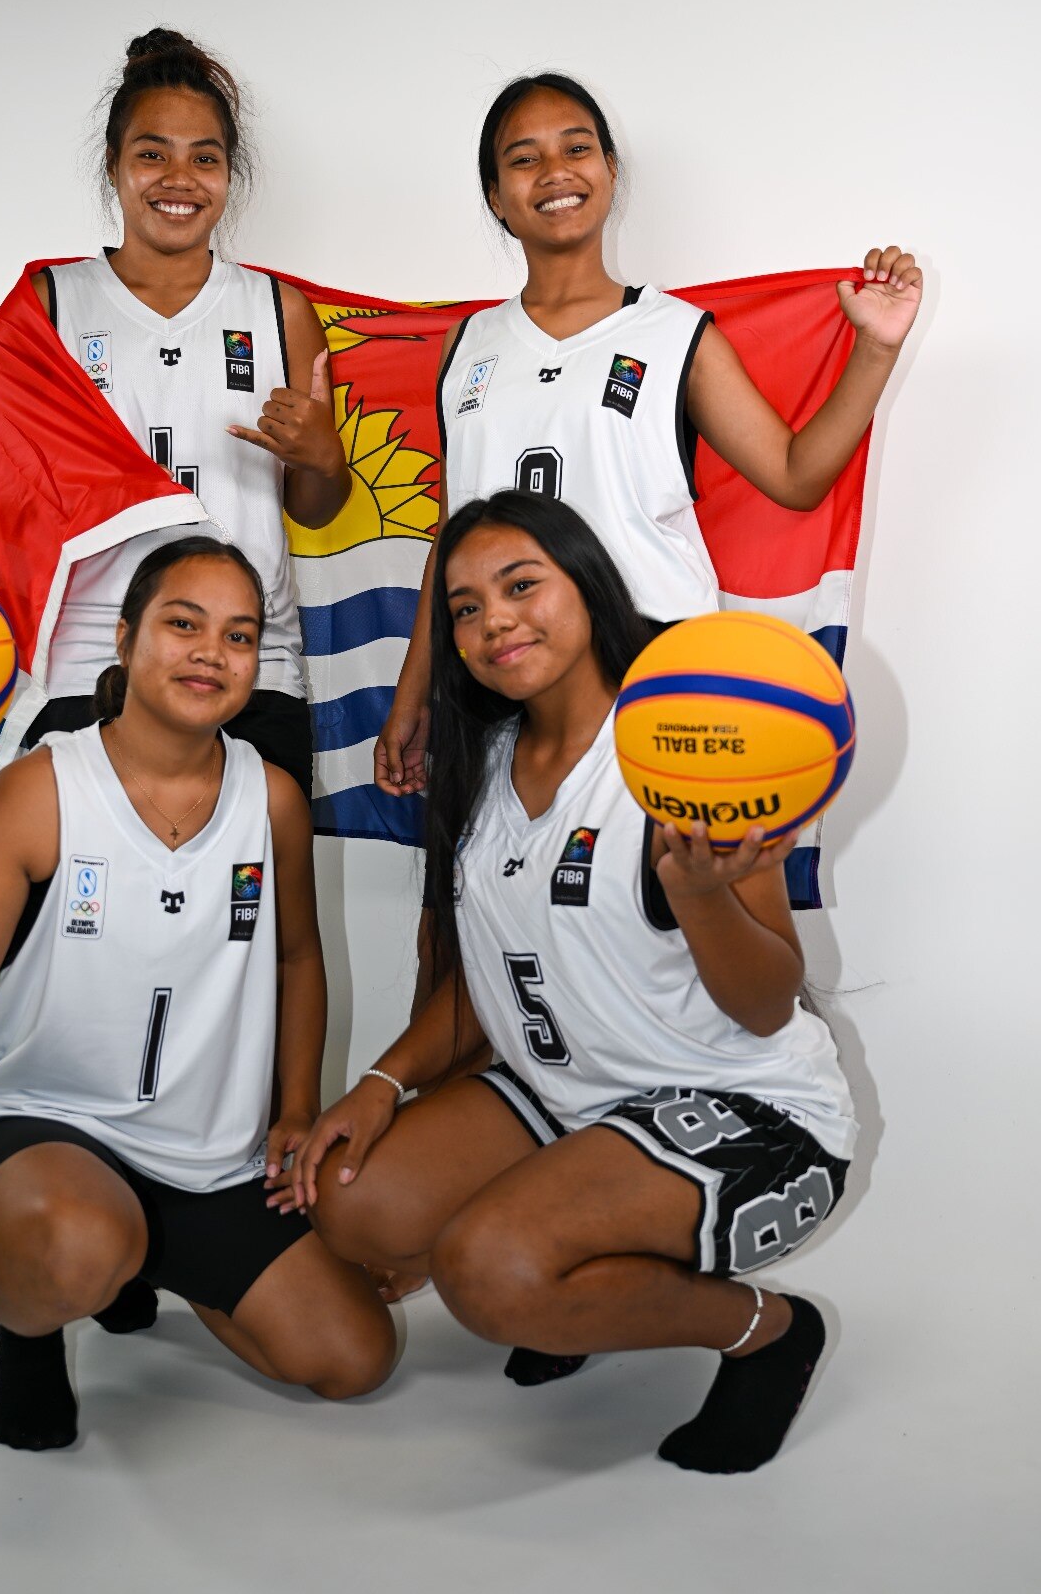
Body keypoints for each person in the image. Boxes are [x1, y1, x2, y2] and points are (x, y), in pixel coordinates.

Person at [291, 491, 856, 1474]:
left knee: (488, 1272)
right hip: (569, 1100)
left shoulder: (683, 745)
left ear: (587, 588)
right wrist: (380, 1083)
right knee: (351, 1199)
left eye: (520, 586)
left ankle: (765, 1331)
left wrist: (701, 896)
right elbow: (491, 975)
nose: (494, 621)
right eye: (464, 608)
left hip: (750, 1111)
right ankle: (581, 1284)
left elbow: (768, 1003)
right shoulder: (484, 759)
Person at [0, 539, 394, 1451]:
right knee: (76, 1250)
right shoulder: (39, 790)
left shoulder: (272, 798)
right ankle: (34, 1319)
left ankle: (140, 1256)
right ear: (124, 638)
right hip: (30, 1121)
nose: (211, 652)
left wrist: (294, 1106)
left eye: (239, 635)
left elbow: (295, 958)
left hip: (200, 1150)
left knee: (353, 1357)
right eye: (183, 623)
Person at [375, 72, 921, 797]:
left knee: (658, 870)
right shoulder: (466, 346)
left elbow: (795, 476)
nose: (556, 171)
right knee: (493, 870)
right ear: (496, 197)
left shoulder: (674, 333)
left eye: (577, 148)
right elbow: (453, 535)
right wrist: (415, 689)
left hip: (652, 675)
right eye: (524, 158)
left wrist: (875, 348)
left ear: (609, 170)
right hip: (502, 682)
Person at [26, 27, 350, 795]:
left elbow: (314, 505)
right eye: (152, 153)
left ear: (230, 173)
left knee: (254, 874)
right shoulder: (49, 304)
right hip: (89, 657)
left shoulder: (279, 311)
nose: (179, 178)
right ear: (113, 164)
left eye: (205, 158)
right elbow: (7, 490)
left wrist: (319, 456)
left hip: (247, 660)